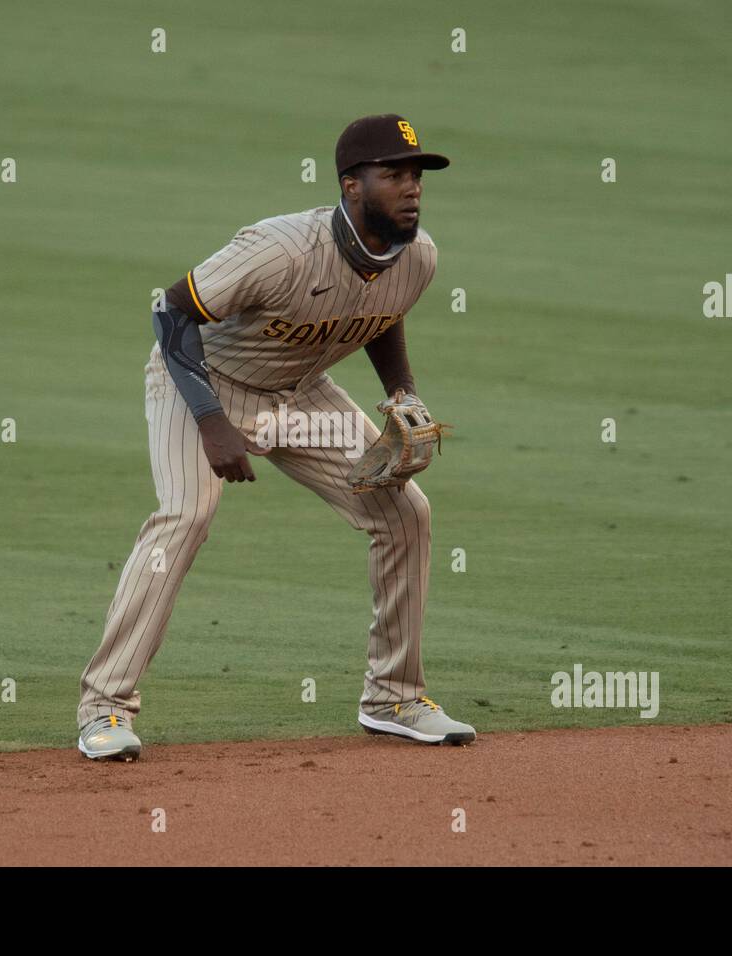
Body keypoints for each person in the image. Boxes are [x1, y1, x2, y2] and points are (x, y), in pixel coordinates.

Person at [77, 114, 476, 761]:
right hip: (203, 382)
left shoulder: (417, 256)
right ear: (351, 185)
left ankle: (393, 698)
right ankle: (104, 707)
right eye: (395, 174)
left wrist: (403, 394)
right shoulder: (280, 249)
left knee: (404, 513)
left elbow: (380, 314)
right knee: (187, 513)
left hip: (300, 393)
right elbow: (171, 311)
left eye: (417, 176)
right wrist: (211, 421)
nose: (412, 188)